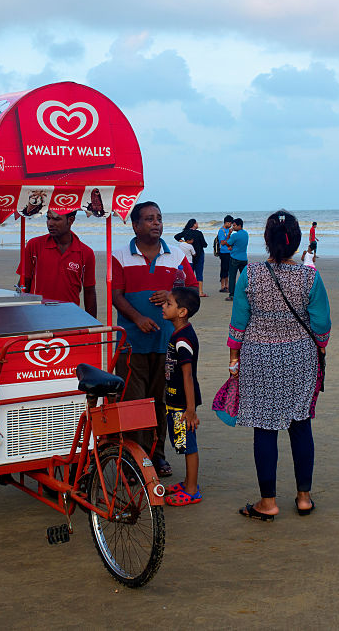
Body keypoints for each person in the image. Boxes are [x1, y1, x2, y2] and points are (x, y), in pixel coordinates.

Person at [229, 211, 330, 520]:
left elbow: (238, 325)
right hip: (300, 358)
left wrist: (233, 359)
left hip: (258, 358)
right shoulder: (310, 276)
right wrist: (315, 349)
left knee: (265, 428)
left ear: (266, 241)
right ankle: (303, 497)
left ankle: (268, 502)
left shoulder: (250, 274)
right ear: (298, 240)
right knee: (301, 425)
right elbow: (322, 327)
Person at [111, 201, 198, 477]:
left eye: (159, 218)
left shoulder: (176, 256)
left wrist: (169, 290)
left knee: (161, 401)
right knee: (133, 401)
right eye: (149, 219)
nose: (156, 223)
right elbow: (116, 296)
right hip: (131, 342)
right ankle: (132, 459)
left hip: (167, 344)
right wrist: (137, 318)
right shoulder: (120, 256)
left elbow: (193, 290)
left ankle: (157, 456)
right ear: (135, 225)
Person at [161, 287, 202, 506]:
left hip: (183, 404)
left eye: (169, 303)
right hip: (176, 400)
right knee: (182, 442)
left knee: (189, 445)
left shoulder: (183, 340)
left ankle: (192, 490)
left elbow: (188, 376)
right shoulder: (178, 333)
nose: (163, 306)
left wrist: (190, 409)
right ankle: (188, 482)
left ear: (182, 311)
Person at [16, 211, 97, 317]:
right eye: (48, 218)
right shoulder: (34, 245)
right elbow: (23, 284)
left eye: (56, 219)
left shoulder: (86, 252)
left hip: (69, 316)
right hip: (37, 314)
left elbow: (89, 291)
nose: (50, 223)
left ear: (71, 220)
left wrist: (92, 324)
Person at [174, 218, 208, 296]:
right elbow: (204, 244)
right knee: (199, 273)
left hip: (189, 256)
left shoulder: (186, 232)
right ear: (194, 224)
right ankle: (200, 292)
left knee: (189, 273)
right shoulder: (199, 233)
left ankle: (188, 290)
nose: (198, 224)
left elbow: (176, 236)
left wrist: (183, 242)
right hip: (199, 255)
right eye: (197, 223)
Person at [223, 217, 249, 301]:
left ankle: (232, 295)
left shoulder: (235, 235)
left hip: (235, 258)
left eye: (234, 225)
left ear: (239, 226)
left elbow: (227, 243)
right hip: (244, 258)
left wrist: (229, 234)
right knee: (244, 276)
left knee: (232, 276)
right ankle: (246, 293)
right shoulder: (246, 234)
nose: (232, 227)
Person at [215, 215, 234, 293]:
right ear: (227, 222)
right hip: (224, 252)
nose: (231, 225)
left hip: (229, 252)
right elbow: (222, 242)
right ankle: (223, 286)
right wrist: (229, 234)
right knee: (224, 269)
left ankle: (227, 285)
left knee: (228, 269)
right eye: (230, 224)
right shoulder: (221, 231)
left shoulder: (228, 230)